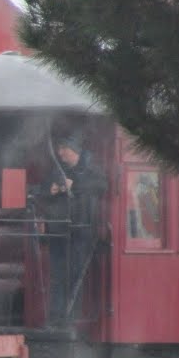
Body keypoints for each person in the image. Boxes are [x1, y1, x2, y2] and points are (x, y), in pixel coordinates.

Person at [44, 131, 106, 327]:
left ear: (75, 150)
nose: (60, 153)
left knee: (75, 277)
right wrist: (50, 190)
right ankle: (55, 318)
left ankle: (71, 320)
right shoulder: (58, 170)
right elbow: (42, 189)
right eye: (59, 148)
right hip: (58, 231)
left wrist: (75, 184)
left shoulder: (92, 169)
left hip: (81, 232)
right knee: (58, 277)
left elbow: (101, 185)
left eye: (64, 148)